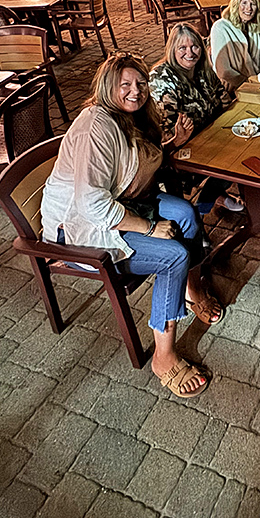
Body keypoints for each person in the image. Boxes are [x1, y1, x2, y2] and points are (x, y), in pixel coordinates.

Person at [41, 52, 224, 399]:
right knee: (172, 255)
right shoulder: (98, 125)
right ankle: (163, 356)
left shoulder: (132, 117)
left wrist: (174, 144)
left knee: (185, 213)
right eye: (125, 84)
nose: (135, 91)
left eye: (140, 83)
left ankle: (192, 291)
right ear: (107, 86)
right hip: (80, 228)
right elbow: (90, 202)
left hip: (120, 203)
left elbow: (137, 168)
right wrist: (148, 227)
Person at [150, 23, 242, 212]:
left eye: (195, 46)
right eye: (182, 48)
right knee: (233, 159)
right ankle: (195, 216)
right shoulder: (162, 79)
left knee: (243, 147)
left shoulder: (203, 70)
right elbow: (165, 135)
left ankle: (208, 200)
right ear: (172, 50)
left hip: (208, 136)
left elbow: (223, 98)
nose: (190, 52)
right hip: (177, 152)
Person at [209, 0, 260, 92]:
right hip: (231, 89)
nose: (248, 8)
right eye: (244, 3)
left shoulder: (253, 28)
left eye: (252, 4)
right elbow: (224, 72)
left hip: (256, 85)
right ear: (236, 4)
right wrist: (249, 85)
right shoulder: (220, 27)